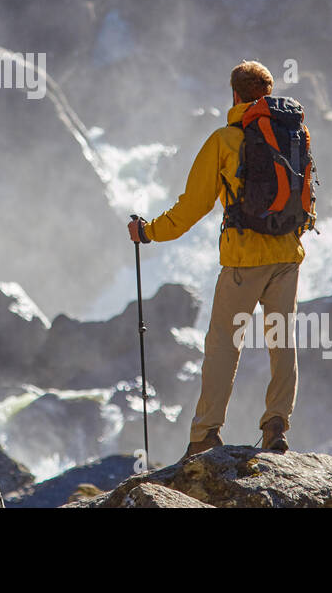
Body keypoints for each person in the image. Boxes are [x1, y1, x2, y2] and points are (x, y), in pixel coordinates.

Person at [127, 60, 309, 459]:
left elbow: (191, 207)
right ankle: (276, 423)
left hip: (244, 260)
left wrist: (148, 232)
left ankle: (205, 433)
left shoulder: (225, 140)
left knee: (223, 345)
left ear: (234, 95)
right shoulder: (296, 134)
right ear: (268, 93)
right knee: (282, 340)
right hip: (288, 256)